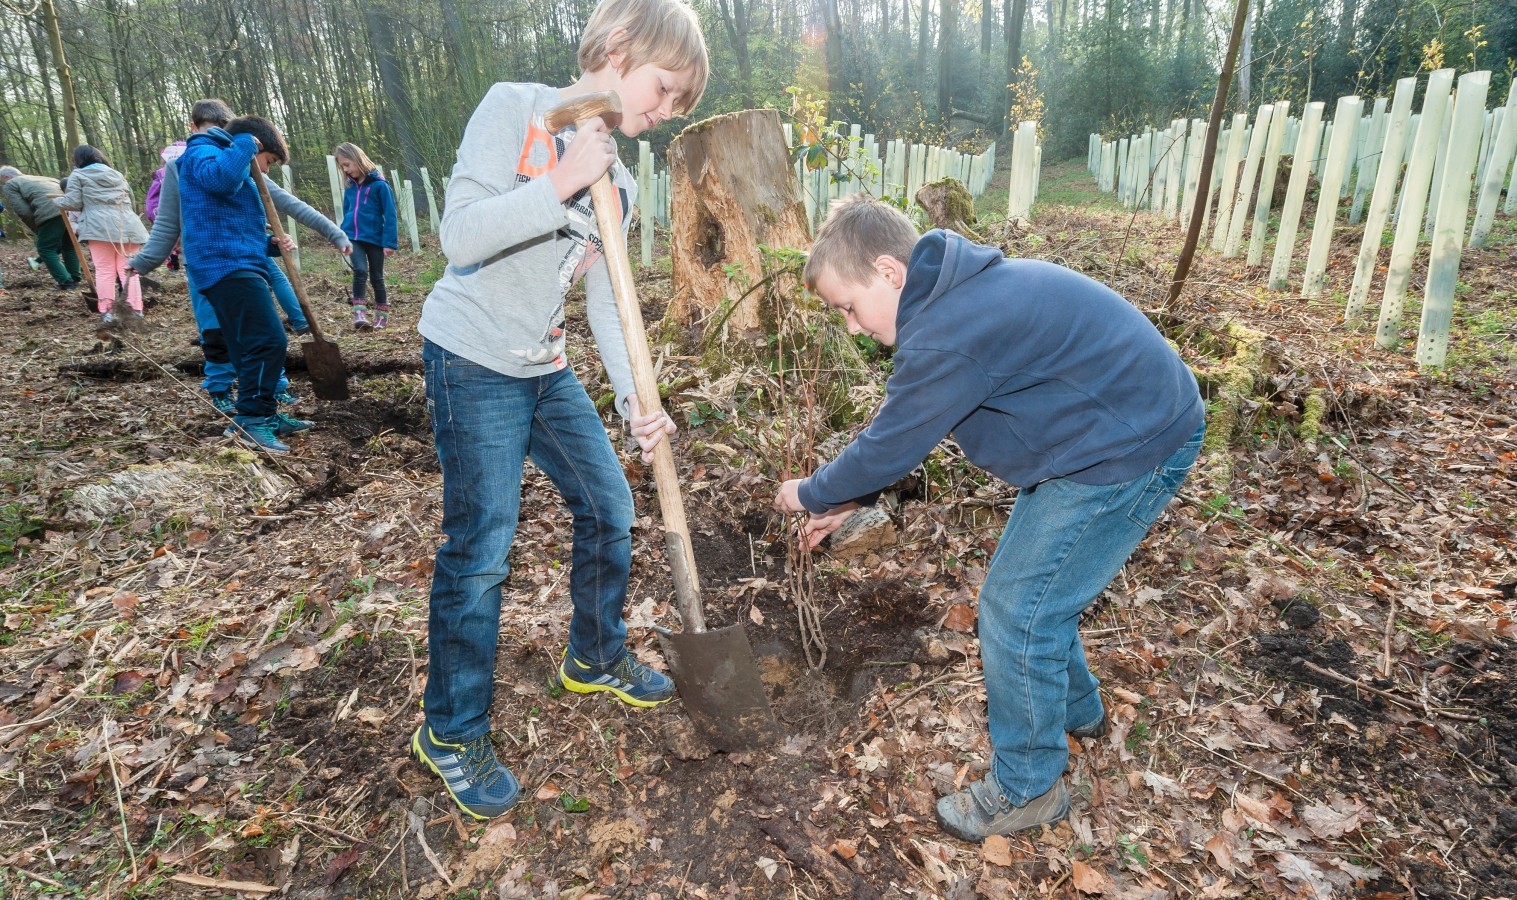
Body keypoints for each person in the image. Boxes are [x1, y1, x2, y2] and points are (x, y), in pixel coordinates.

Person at [773, 196, 1205, 842]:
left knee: (1016, 606)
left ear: (890, 273)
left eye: (848, 307)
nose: (853, 327)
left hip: (1128, 445)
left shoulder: (947, 331)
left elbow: (890, 444)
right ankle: (1075, 711)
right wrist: (847, 499)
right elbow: (913, 433)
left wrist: (809, 492)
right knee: (1042, 593)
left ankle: (1028, 789)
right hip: (1114, 429)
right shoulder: (957, 301)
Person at [410, 0, 709, 821]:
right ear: (616, 49)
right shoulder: (515, 108)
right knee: (482, 547)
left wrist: (634, 398)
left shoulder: (619, 180)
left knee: (611, 507)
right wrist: (560, 179)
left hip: (542, 364)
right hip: (471, 357)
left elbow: (611, 305)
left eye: (681, 103)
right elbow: (460, 237)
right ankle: (452, 730)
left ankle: (595, 655)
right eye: (665, 88)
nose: (667, 111)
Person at [130, 99, 351, 413]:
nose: (265, 167)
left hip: (249, 254)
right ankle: (229, 393)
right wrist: (141, 263)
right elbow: (168, 224)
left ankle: (271, 393)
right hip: (211, 261)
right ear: (194, 129)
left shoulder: (247, 166)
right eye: (268, 160)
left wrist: (332, 232)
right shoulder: (192, 164)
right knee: (223, 330)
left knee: (263, 331)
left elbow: (289, 204)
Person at [169, 113, 312, 453]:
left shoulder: (226, 161)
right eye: (269, 161)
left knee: (247, 346)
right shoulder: (203, 153)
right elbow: (220, 182)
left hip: (235, 261)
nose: (265, 170)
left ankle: (263, 414)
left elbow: (219, 222)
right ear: (253, 145)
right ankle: (254, 420)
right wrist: (246, 145)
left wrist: (267, 246)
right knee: (269, 340)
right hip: (224, 267)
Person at [56, 145, 150, 321]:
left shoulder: (78, 174)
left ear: (78, 160)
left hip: (99, 228)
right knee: (128, 270)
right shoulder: (116, 173)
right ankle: (136, 310)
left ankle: (108, 312)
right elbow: (130, 198)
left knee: (105, 271)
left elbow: (73, 202)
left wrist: (57, 201)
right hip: (127, 224)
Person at [333, 143, 398, 330]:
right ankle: (359, 313)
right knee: (360, 271)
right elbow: (347, 212)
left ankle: (382, 315)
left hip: (376, 238)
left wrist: (389, 242)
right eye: (342, 166)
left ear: (357, 159)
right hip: (353, 237)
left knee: (377, 277)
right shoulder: (350, 187)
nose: (345, 170)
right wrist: (340, 236)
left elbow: (390, 215)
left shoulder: (380, 186)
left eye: (347, 164)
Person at [0, 166, 82, 289]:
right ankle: (74, 278)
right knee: (69, 246)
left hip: (50, 213)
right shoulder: (46, 178)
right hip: (70, 210)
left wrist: (37, 227)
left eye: (2, 181)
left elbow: (22, 210)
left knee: (45, 249)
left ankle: (66, 281)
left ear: (7, 177)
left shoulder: (11, 184)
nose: (3, 183)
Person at [145, 139, 187, 271]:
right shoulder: (162, 174)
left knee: (178, 241)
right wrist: (155, 213)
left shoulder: (192, 171)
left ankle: (174, 259)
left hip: (180, 214)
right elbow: (153, 199)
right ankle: (173, 260)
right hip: (172, 213)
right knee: (174, 240)